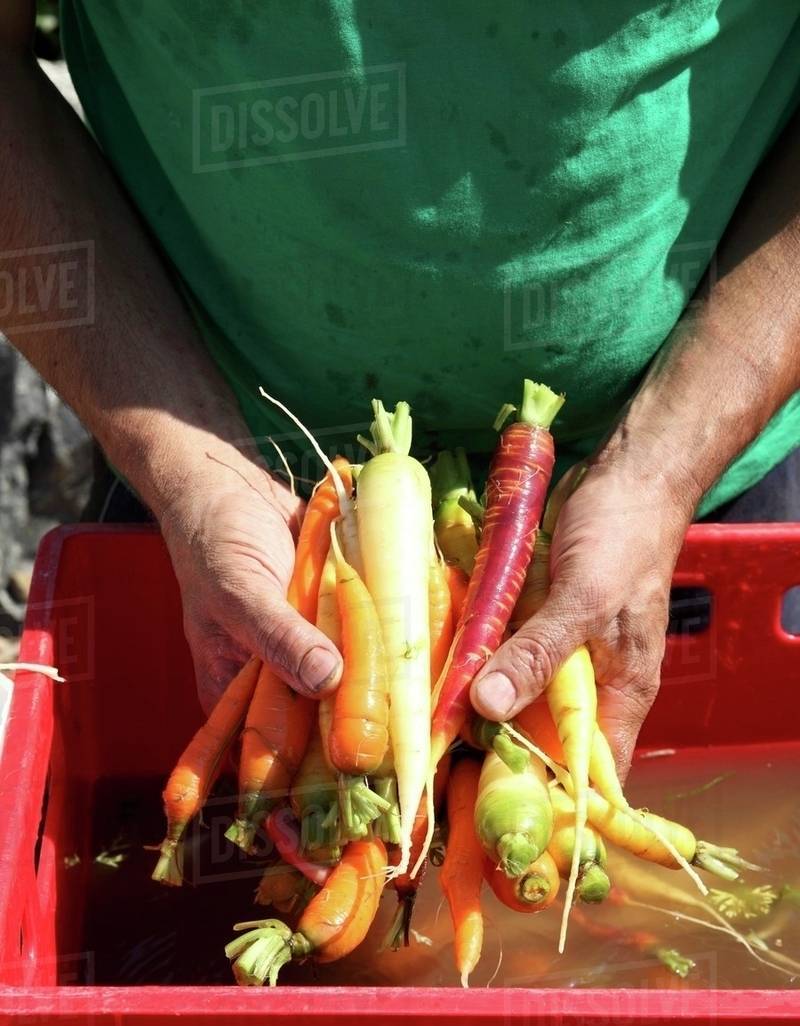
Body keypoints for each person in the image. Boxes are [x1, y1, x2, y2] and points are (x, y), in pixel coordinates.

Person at [2, 4, 799, 781]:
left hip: (681, 480)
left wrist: (659, 474)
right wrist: (191, 468)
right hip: (223, 503)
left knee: (708, 794)